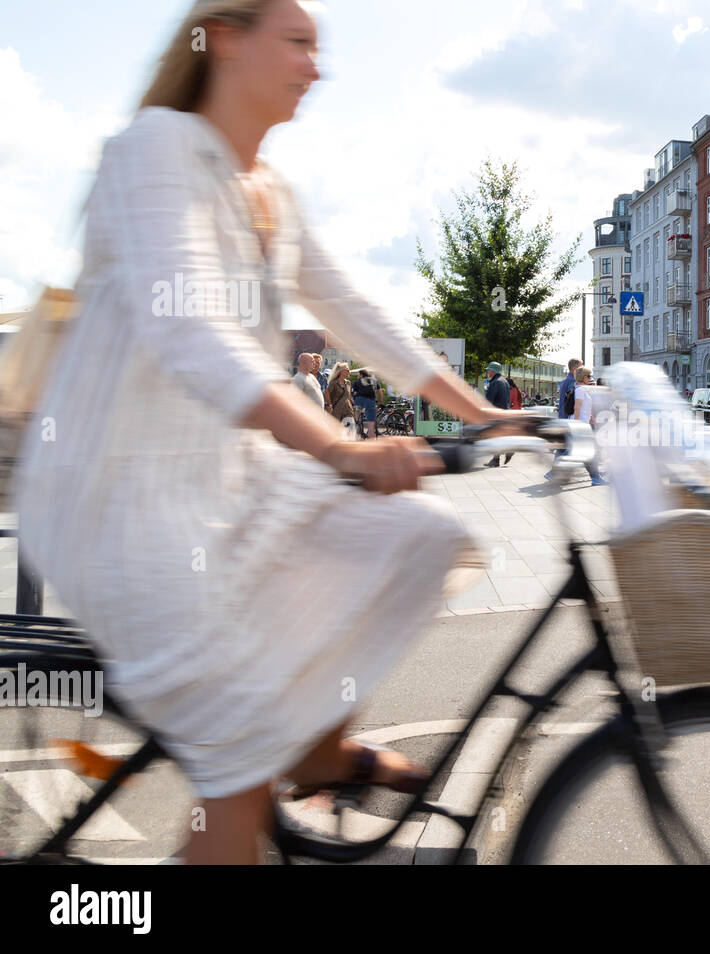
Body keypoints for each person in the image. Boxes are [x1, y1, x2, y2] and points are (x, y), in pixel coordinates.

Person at [10, 0, 538, 865]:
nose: (314, 67)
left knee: (422, 536)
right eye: (296, 42)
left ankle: (314, 750)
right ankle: (271, 761)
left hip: (228, 485)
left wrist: (483, 411)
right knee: (238, 768)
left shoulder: (271, 193)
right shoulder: (154, 152)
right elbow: (190, 329)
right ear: (223, 36)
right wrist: (337, 446)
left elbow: (354, 313)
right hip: (122, 499)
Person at [571, 366, 605, 485]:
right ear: (583, 377)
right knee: (589, 451)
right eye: (589, 376)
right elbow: (577, 407)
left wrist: (590, 416)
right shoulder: (580, 390)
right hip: (581, 425)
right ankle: (596, 477)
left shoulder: (583, 389)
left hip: (584, 424)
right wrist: (576, 424)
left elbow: (584, 406)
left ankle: (554, 472)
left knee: (580, 450)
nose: (590, 378)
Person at [484, 361, 511, 466]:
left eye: (489, 370)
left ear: (493, 370)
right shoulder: (504, 381)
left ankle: (497, 459)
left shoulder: (495, 382)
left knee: (495, 437)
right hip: (505, 412)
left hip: (496, 413)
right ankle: (497, 458)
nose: (488, 371)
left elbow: (489, 400)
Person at [352, 366, 379, 438]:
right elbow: (379, 391)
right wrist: (381, 402)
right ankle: (371, 439)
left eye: (358, 375)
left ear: (361, 374)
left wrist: (353, 401)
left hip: (359, 400)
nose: (358, 376)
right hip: (370, 401)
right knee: (371, 424)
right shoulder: (374, 381)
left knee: (357, 413)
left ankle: (358, 427)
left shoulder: (357, 382)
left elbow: (354, 393)